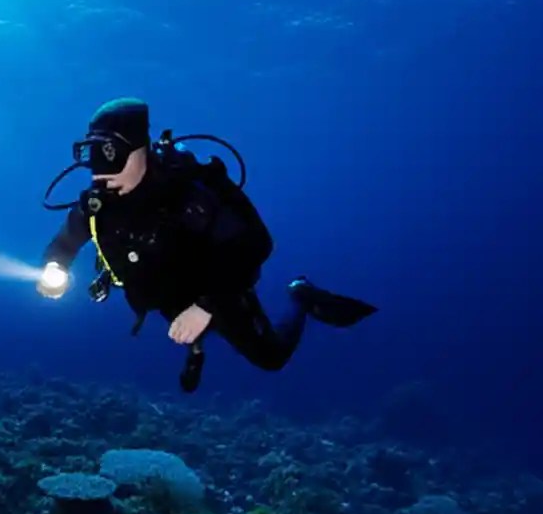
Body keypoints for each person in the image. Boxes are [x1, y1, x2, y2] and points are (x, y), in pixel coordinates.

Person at [36, 97, 376, 393]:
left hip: (216, 289)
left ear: (142, 149)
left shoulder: (190, 194)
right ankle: (196, 348)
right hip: (164, 297)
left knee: (271, 357)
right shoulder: (97, 208)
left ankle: (301, 295)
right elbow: (63, 244)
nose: (101, 171)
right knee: (185, 328)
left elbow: (257, 244)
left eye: (112, 153)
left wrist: (207, 305)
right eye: (93, 155)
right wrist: (55, 267)